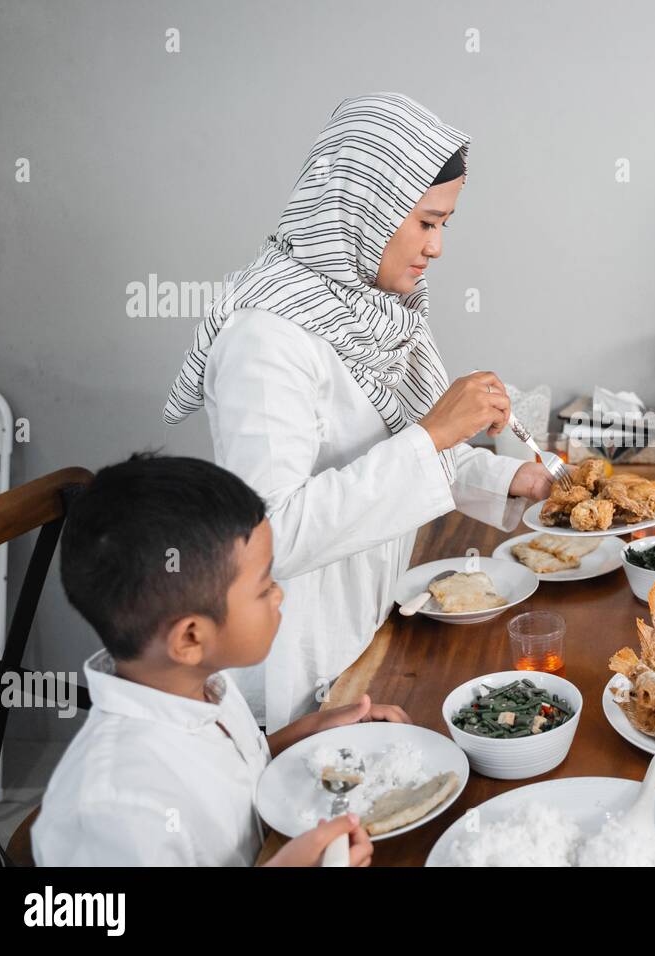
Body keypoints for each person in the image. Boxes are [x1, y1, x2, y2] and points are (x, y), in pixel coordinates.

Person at [163, 93, 551, 731]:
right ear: (366, 208)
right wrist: (433, 434)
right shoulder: (266, 338)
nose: (437, 247)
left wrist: (511, 479)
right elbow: (270, 538)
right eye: (426, 222)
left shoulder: (373, 311)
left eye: (445, 225)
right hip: (296, 667)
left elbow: (392, 454)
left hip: (363, 633)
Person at [33, 455, 407, 866]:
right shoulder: (117, 808)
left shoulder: (200, 684)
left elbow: (233, 777)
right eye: (265, 586)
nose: (280, 595)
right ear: (191, 637)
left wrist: (310, 731)